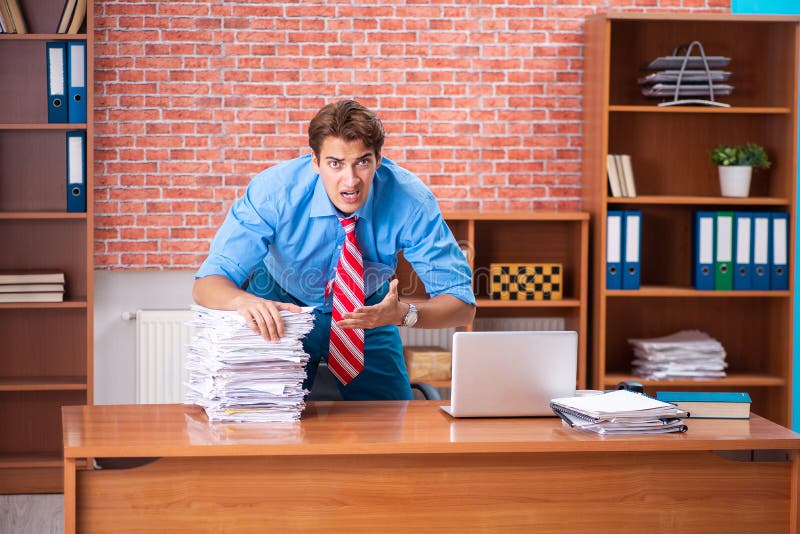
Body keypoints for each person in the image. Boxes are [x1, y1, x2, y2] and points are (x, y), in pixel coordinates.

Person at [193, 99, 476, 400]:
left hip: (370, 312)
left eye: (362, 162)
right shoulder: (274, 192)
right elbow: (207, 283)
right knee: (259, 418)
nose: (350, 180)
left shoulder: (411, 201)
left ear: (378, 159)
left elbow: (462, 304)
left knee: (391, 427)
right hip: (281, 309)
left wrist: (400, 314)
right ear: (315, 161)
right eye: (335, 163)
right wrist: (242, 301)